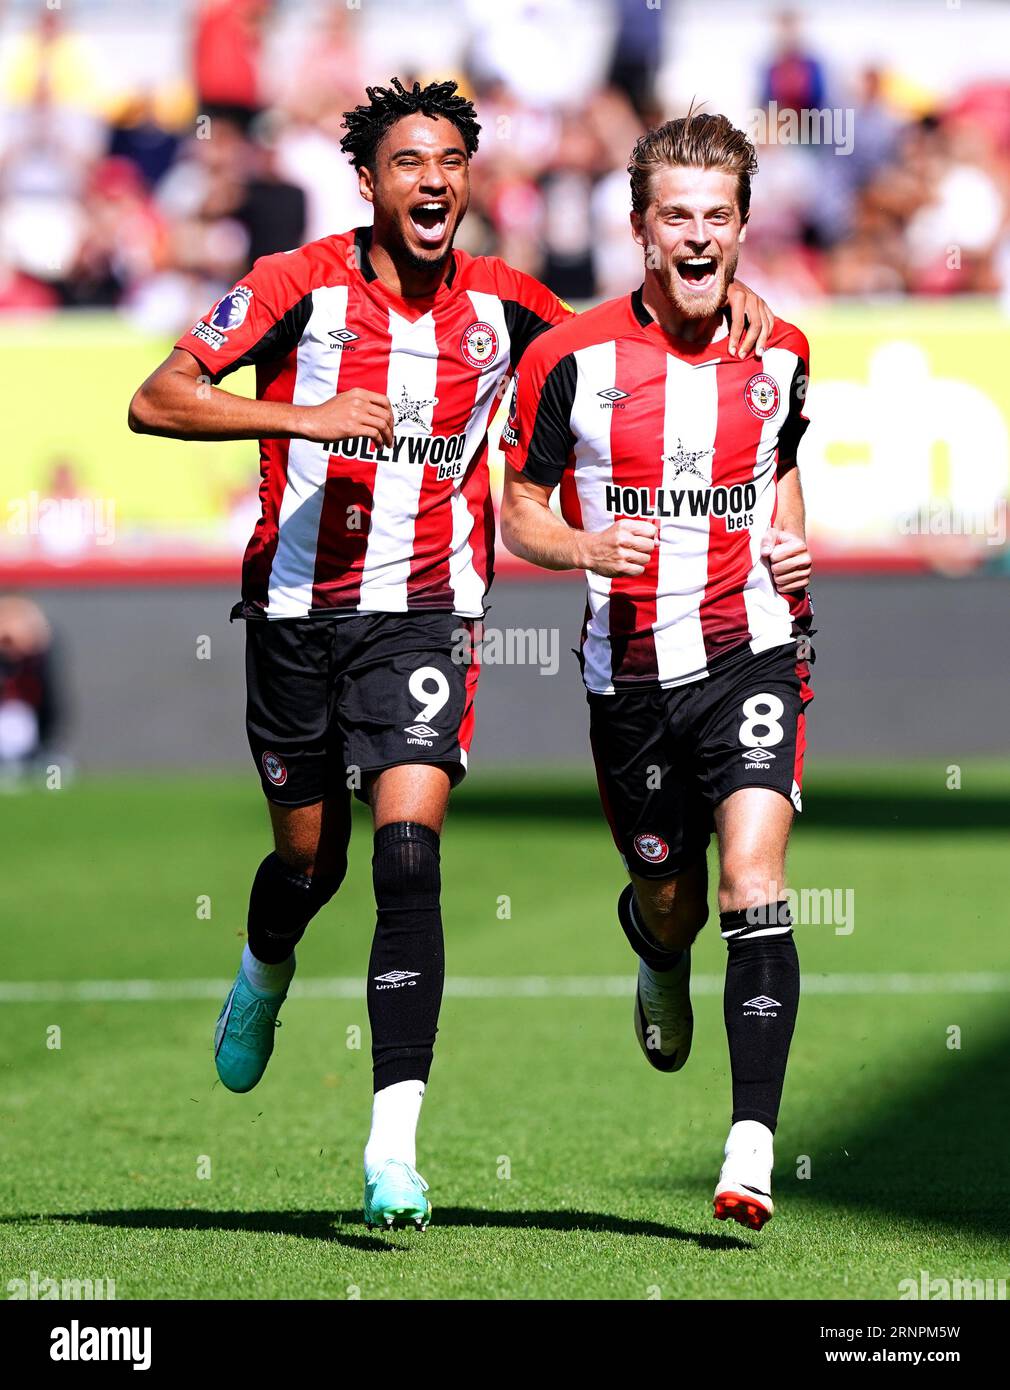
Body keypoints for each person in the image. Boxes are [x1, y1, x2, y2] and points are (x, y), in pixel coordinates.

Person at [128, 79, 775, 1231]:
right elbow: (158, 398)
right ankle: (264, 965)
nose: (432, 181)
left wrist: (728, 299)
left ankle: (391, 1149)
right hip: (291, 614)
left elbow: (609, 340)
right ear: (368, 182)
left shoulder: (502, 305)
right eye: (408, 162)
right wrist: (302, 418)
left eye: (449, 163)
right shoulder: (292, 287)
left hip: (426, 614)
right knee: (307, 865)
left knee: (408, 857)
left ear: (466, 182)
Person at [501, 111, 813, 1231]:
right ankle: (654, 953)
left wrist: (787, 537)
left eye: (715, 217)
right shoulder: (568, 361)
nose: (695, 236)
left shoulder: (779, 348)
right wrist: (584, 547)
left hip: (751, 646)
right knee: (670, 899)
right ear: (638, 230)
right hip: (627, 677)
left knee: (752, 882)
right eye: (673, 216)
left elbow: (779, 469)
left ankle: (749, 1149)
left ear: (740, 225)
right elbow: (517, 511)